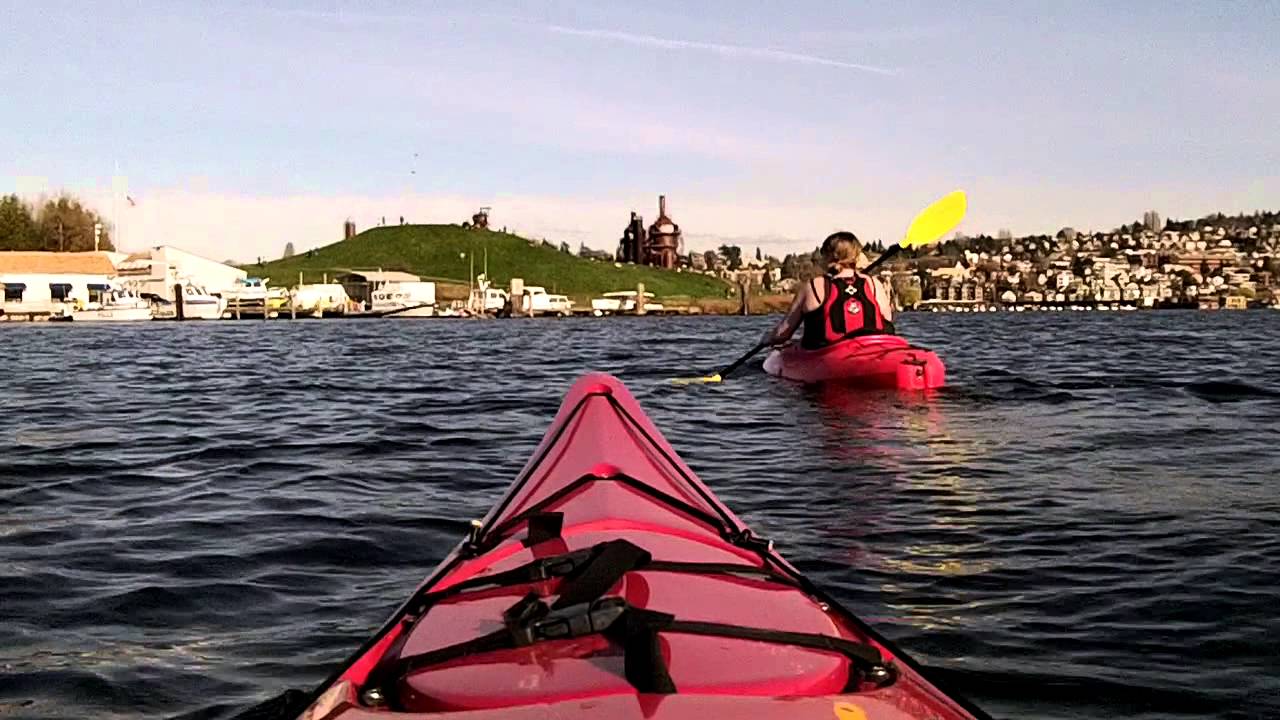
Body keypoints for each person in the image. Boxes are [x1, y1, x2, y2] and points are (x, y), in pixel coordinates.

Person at [761, 231, 895, 350]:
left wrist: (768, 338)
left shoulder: (813, 287)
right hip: (874, 349)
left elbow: (783, 333)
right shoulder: (873, 284)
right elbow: (887, 319)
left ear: (828, 256)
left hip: (829, 355)